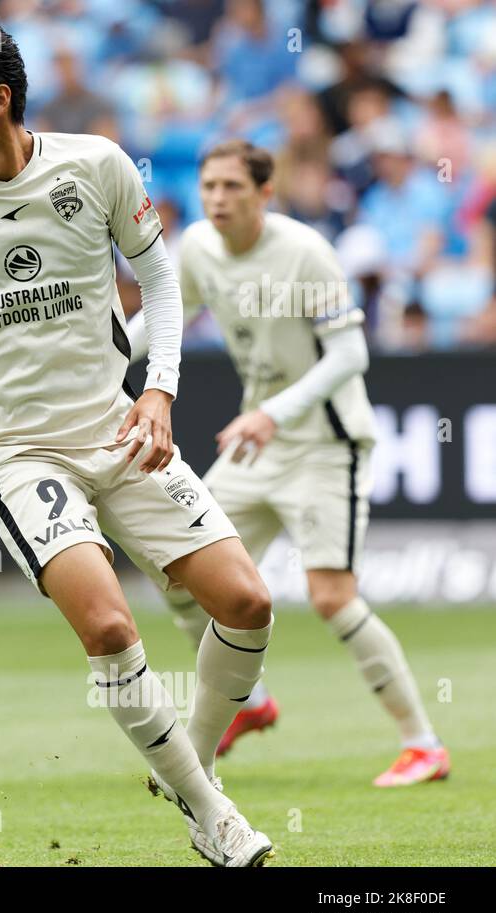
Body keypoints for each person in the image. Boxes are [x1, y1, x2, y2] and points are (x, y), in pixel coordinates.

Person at [0, 15, 275, 866]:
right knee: (112, 628)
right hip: (18, 453)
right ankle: (212, 813)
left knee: (249, 604)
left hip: (120, 429)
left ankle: (187, 763)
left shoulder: (98, 165)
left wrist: (159, 391)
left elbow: (157, 273)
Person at [127, 140, 449, 786]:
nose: (217, 199)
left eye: (232, 188)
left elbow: (350, 355)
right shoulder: (196, 248)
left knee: (332, 599)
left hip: (324, 445)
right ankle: (252, 697)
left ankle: (424, 744)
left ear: (265, 194)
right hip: (258, 444)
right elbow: (166, 319)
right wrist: (99, 366)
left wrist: (276, 411)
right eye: (209, 186)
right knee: (185, 574)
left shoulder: (305, 253)